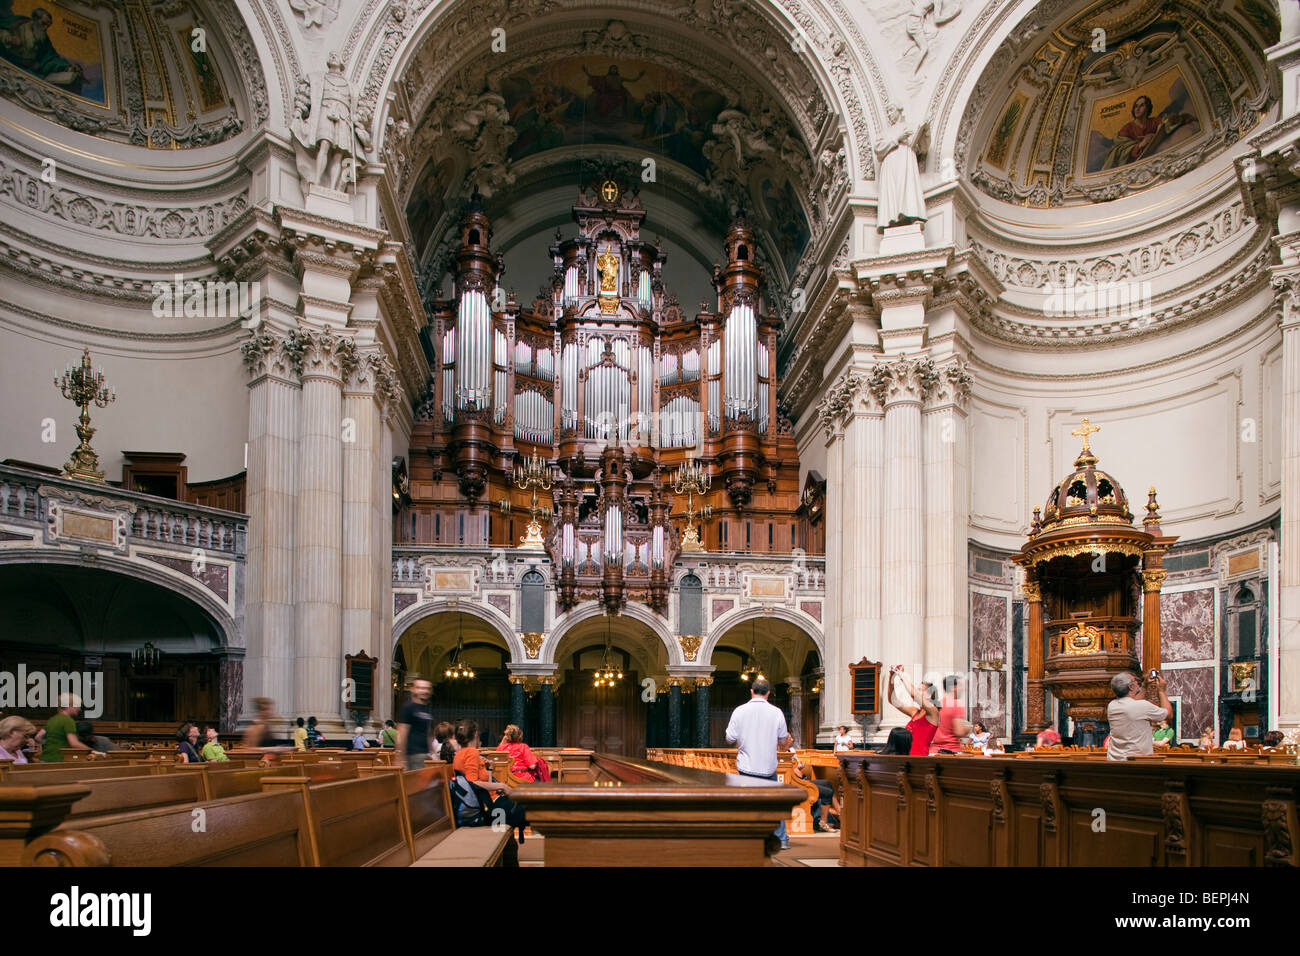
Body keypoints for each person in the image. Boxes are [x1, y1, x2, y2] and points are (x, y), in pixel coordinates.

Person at [725, 676, 793, 851]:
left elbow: (729, 738)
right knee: (774, 803)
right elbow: (784, 741)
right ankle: (781, 839)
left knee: (747, 803)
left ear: (751, 691)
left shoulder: (739, 711)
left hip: (746, 766)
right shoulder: (777, 712)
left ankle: (747, 838)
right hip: (768, 765)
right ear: (768, 693)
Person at [452, 720, 528, 844]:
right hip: (487, 808)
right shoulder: (472, 752)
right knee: (526, 809)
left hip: (485, 802)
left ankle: (508, 846)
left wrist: (486, 767)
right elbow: (472, 782)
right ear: (476, 735)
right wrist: (501, 785)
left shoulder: (459, 754)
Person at [1106, 671, 1172, 761]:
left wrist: (1144, 686)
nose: (1137, 682)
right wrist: (1161, 691)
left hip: (1115, 760)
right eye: (1135, 681)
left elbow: (1133, 704)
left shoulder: (1112, 705)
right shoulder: (1143, 705)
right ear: (1131, 687)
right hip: (1137, 762)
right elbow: (1168, 714)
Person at [886, 665, 938, 756]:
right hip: (906, 757)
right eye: (918, 690)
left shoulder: (933, 712)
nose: (917, 692)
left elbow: (914, 695)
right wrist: (892, 677)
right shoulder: (914, 711)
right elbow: (893, 700)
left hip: (920, 759)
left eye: (920, 690)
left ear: (929, 695)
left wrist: (902, 675)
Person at [791, 746, 839, 833]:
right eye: (788, 738)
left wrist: (799, 767)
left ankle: (839, 813)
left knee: (827, 783)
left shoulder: (791, 750)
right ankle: (823, 823)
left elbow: (796, 768)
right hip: (796, 784)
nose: (791, 739)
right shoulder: (781, 754)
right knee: (828, 792)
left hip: (802, 780)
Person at [395, 676, 433, 771]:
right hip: (413, 756)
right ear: (413, 689)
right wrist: (400, 758)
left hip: (425, 755)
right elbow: (401, 732)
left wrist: (432, 752)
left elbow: (428, 733)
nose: (425, 691)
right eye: (420, 688)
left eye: (427, 688)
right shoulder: (408, 707)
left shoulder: (426, 709)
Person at [41, 693, 91, 762]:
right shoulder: (68, 721)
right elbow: (74, 743)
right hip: (59, 760)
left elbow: (38, 737)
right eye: (77, 706)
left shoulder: (52, 719)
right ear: (69, 706)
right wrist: (91, 751)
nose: (79, 709)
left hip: (45, 759)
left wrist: (52, 744)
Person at [930, 675, 972, 754]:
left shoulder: (936, 705)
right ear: (953, 687)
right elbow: (959, 732)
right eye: (960, 686)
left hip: (934, 751)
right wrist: (969, 728)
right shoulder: (956, 705)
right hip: (951, 751)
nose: (963, 689)